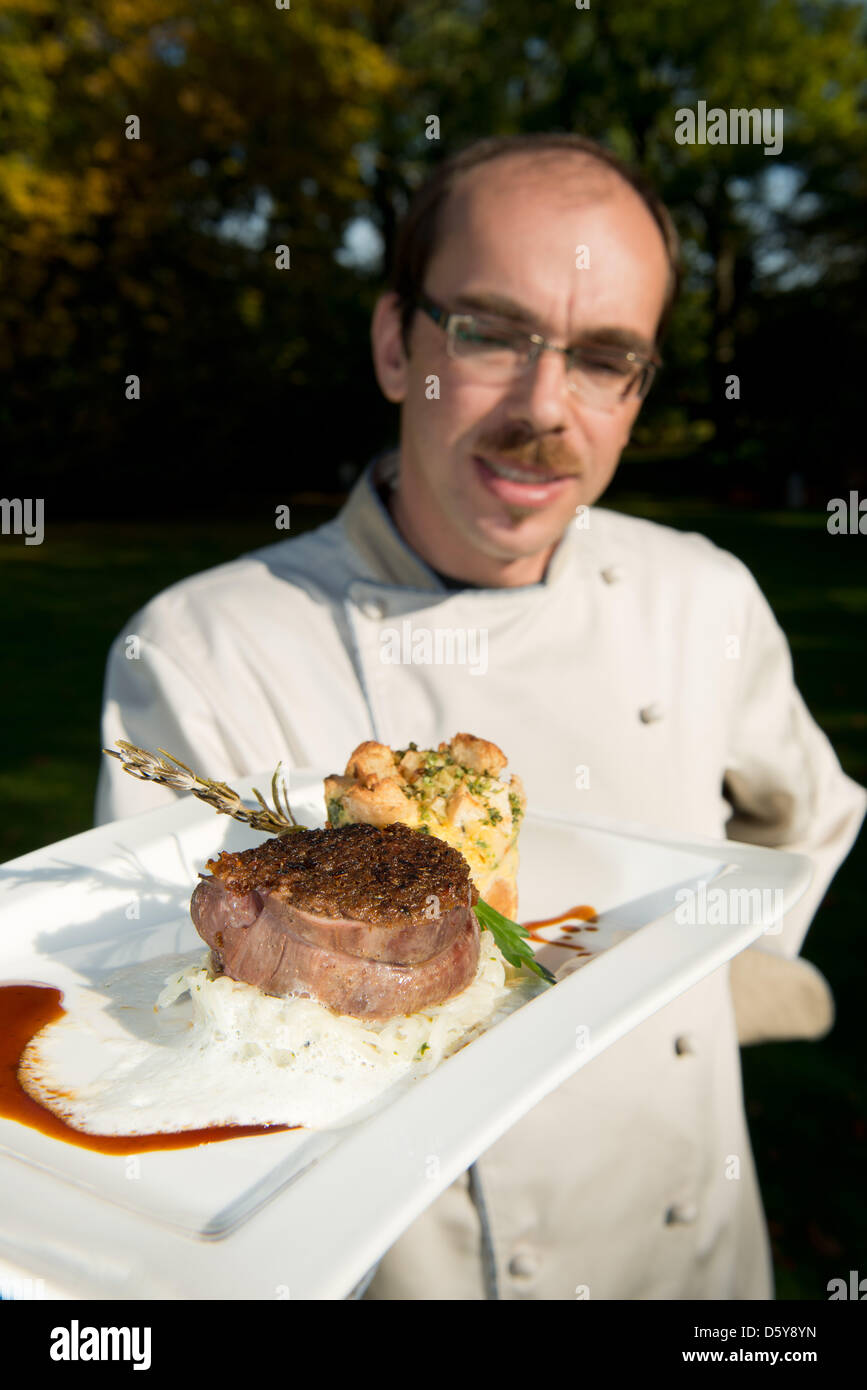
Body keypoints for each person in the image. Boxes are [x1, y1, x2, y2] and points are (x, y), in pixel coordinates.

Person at [95, 134, 866, 1300]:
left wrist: (707, 986)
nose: (545, 408)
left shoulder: (701, 595)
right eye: (493, 333)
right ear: (397, 343)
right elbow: (172, 1006)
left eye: (608, 357)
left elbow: (807, 811)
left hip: (696, 1264)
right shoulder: (204, 645)